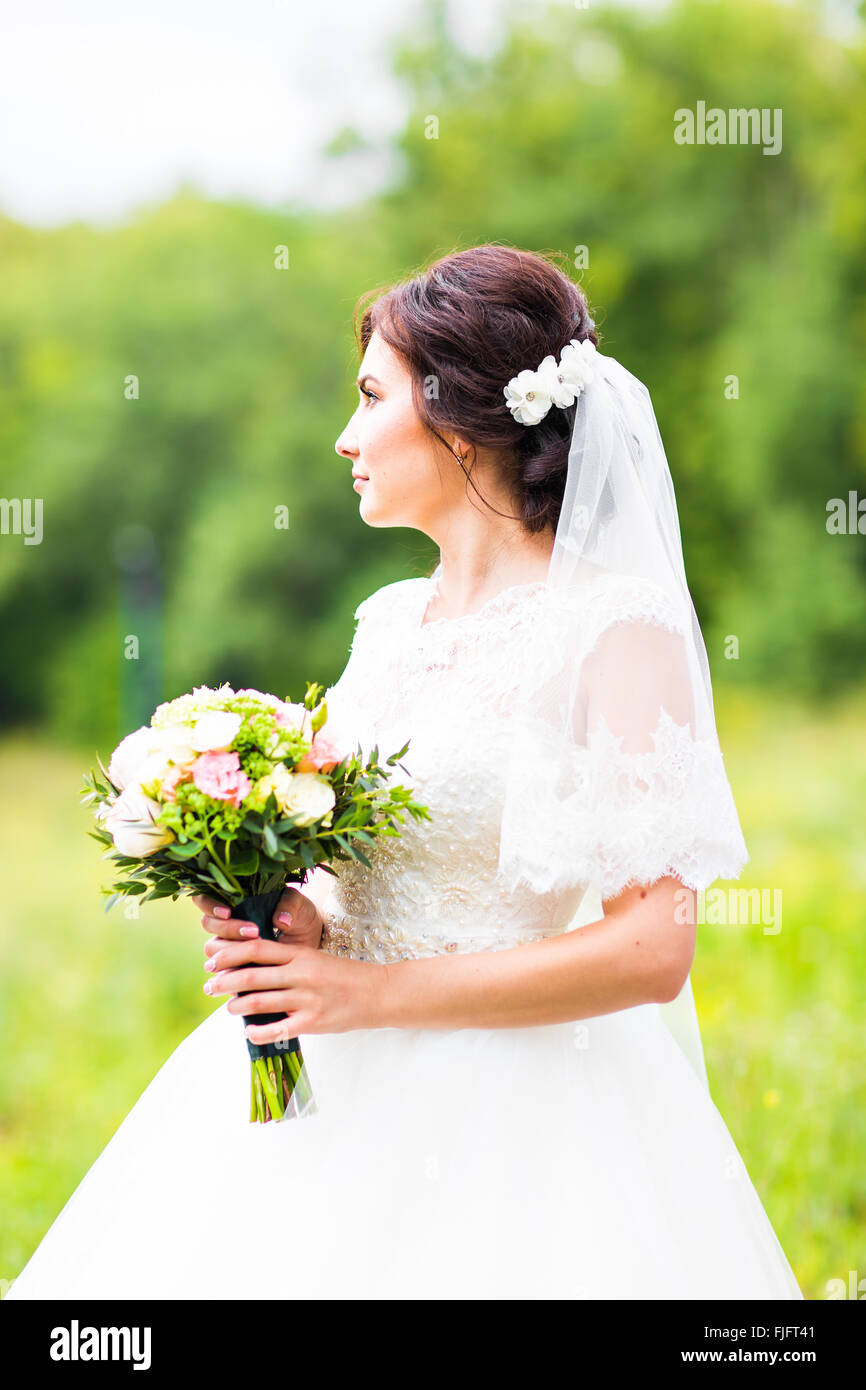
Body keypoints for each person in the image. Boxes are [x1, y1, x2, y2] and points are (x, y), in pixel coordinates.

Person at [6, 244, 803, 1300]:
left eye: (370, 396)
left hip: (517, 1109)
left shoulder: (615, 627)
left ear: (461, 414)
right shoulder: (387, 624)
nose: (344, 436)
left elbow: (653, 946)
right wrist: (303, 916)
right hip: (328, 1077)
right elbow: (368, 858)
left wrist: (371, 993)